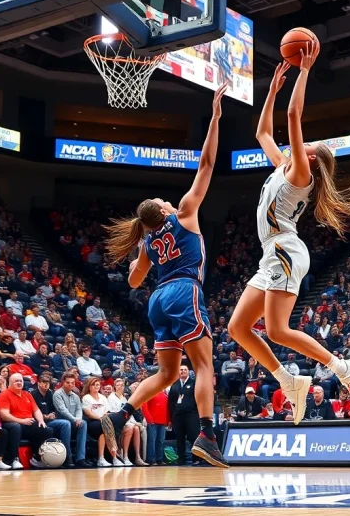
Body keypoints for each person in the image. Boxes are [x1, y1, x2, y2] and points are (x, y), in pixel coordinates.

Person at [226, 51, 350, 429]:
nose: (301, 145)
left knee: (276, 330)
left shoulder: (301, 172)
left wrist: (304, 71)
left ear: (312, 159)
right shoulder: (283, 166)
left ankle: (342, 367)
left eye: (308, 145)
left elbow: (292, 118)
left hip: (285, 251)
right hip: (272, 254)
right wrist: (270, 92)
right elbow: (263, 133)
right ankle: (289, 380)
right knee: (237, 328)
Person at [103, 84, 228, 468]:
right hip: (183, 290)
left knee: (168, 372)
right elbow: (206, 164)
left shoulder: (147, 243)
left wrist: (137, 260)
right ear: (163, 208)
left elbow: (133, 283)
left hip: (157, 299)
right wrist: (215, 118)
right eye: (162, 200)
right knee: (206, 366)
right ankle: (208, 433)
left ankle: (121, 413)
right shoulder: (185, 213)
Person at [0, 373, 54, 469]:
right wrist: (22, 421)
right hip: (11, 423)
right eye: (16, 381)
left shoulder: (27, 394)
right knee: (16, 427)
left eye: (21, 381)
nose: (19, 382)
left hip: (27, 423)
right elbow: (4, 416)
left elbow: (36, 410)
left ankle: (36, 457)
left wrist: (41, 421)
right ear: (9, 383)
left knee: (47, 430)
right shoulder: (4, 395)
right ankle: (14, 459)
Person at [31, 372, 79, 468]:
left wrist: (53, 414)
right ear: (38, 383)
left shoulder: (50, 393)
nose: (46, 384)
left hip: (51, 421)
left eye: (48, 382)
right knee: (65, 423)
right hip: (39, 422)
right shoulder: (33, 394)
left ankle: (66, 456)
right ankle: (68, 457)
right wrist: (45, 416)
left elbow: (55, 409)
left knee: (66, 424)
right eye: (43, 382)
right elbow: (32, 412)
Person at [81, 376, 125, 467]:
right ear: (89, 387)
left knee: (106, 429)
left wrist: (104, 419)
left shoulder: (103, 397)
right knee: (103, 428)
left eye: (97, 385)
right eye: (94, 385)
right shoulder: (86, 398)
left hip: (103, 421)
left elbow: (107, 412)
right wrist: (100, 418)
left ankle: (112, 457)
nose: (96, 387)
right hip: (92, 422)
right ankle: (106, 458)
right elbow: (88, 413)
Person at [53, 372, 90, 468]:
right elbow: (63, 410)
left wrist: (78, 419)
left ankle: (80, 458)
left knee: (83, 423)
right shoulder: (57, 394)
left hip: (72, 421)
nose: (70, 385)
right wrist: (75, 419)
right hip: (58, 421)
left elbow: (79, 410)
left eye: (72, 383)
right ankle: (67, 457)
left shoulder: (76, 396)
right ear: (63, 382)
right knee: (66, 423)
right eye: (68, 382)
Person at [168, 365, 201, 465]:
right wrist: (172, 414)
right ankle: (181, 459)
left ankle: (196, 458)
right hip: (178, 416)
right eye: (181, 370)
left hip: (191, 415)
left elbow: (198, 398)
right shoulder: (175, 384)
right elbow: (171, 401)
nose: (183, 371)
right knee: (180, 438)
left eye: (185, 370)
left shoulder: (194, 383)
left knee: (193, 437)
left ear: (188, 372)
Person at [142, 389, 169, 466]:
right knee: (152, 441)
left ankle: (159, 459)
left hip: (162, 421)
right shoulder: (150, 392)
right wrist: (148, 418)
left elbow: (167, 408)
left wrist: (168, 420)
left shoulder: (164, 394)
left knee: (160, 441)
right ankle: (151, 459)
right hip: (153, 421)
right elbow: (144, 405)